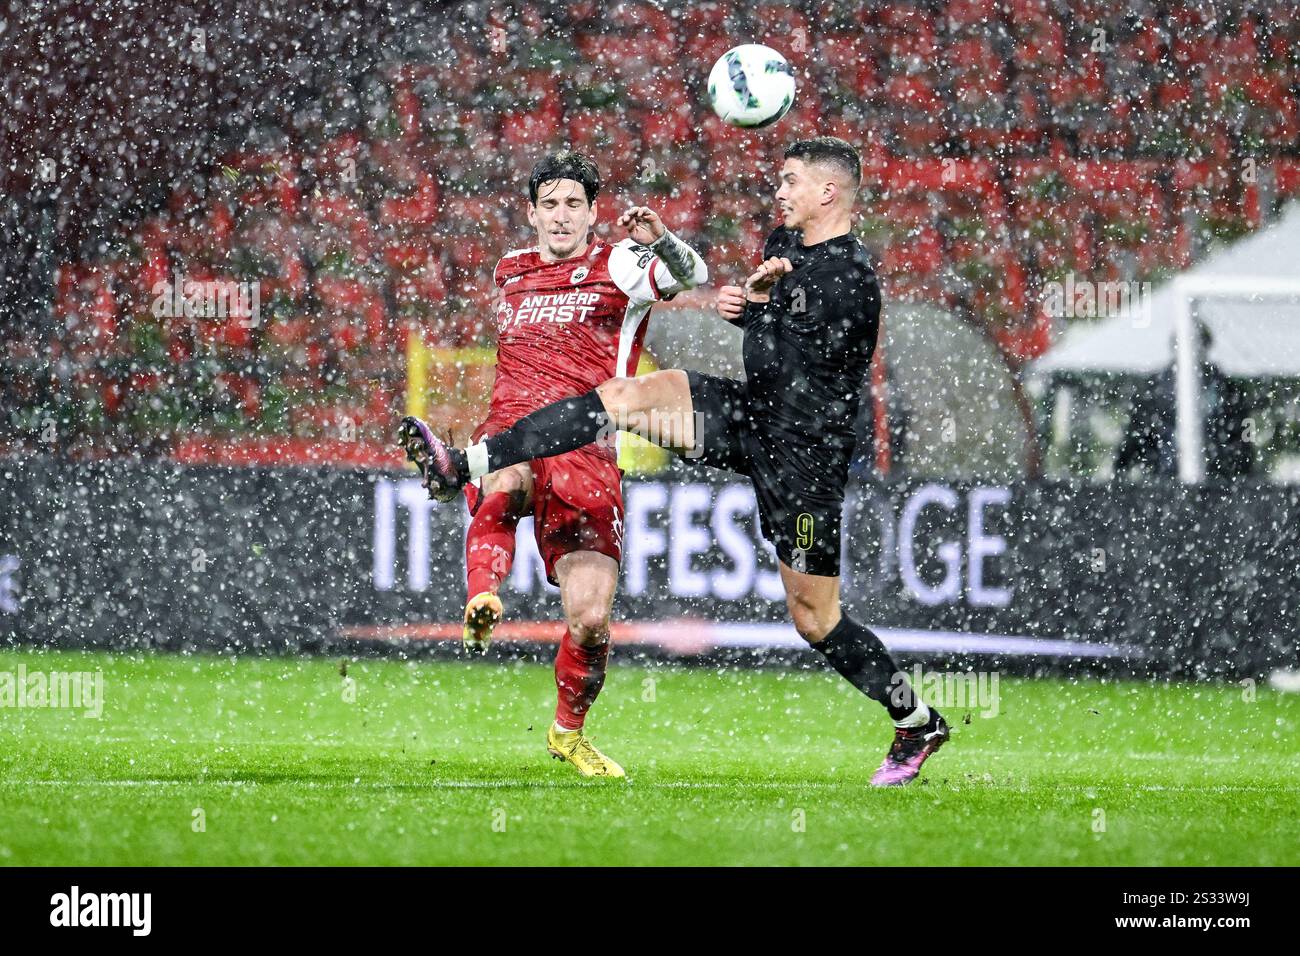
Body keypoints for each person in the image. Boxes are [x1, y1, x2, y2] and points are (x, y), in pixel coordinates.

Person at [404, 137, 948, 787]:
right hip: (750, 414)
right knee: (619, 397)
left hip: (805, 455)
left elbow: (831, 361)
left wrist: (778, 303)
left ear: (827, 192)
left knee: (815, 619)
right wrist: (747, 310)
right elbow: (771, 345)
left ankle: (917, 723)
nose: (780, 192)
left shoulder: (851, 276)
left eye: (791, 181)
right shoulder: (783, 241)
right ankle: (464, 464)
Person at [399, 150, 707, 778]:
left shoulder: (621, 265)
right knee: (504, 478)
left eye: (574, 204)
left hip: (588, 451)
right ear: (531, 212)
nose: (561, 216)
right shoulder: (510, 269)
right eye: (550, 204)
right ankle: (483, 594)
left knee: (591, 620)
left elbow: (692, 274)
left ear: (595, 213)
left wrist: (664, 242)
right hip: (510, 434)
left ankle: (567, 733)